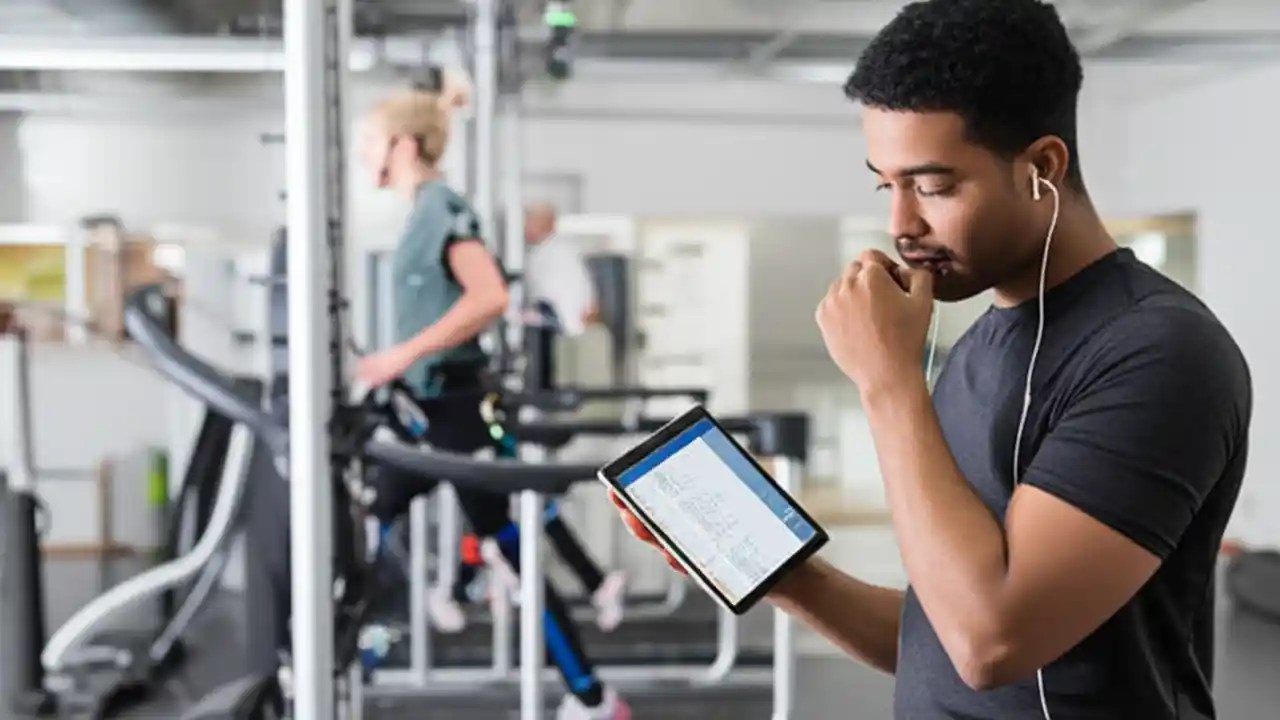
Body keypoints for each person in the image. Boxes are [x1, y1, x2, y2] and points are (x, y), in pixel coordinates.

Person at [611, 2, 1251, 719]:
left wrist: (887, 381)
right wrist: (787, 580)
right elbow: (943, 636)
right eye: (887, 184)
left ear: (1041, 168)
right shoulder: (981, 343)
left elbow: (991, 641)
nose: (900, 225)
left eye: (934, 186)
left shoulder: (1160, 354)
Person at [355, 70, 630, 720]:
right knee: (365, 518)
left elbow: (490, 297)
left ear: (402, 145)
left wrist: (401, 354)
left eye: (369, 140)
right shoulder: (422, 211)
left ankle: (592, 696)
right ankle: (339, 662)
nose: (363, 153)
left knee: (507, 548)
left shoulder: (441, 209)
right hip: (427, 410)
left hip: (454, 412)